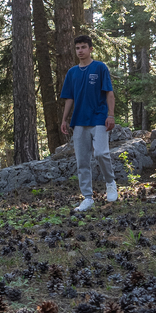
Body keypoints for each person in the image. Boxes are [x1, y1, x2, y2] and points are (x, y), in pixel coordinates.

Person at [58, 35, 118, 213]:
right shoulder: (72, 72)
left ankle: (110, 183)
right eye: (77, 48)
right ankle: (87, 197)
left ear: (91, 49)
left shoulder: (99, 67)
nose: (80, 51)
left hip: (99, 118)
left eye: (83, 47)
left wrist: (111, 115)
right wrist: (64, 119)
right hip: (79, 121)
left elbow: (109, 93)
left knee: (101, 153)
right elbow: (69, 98)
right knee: (82, 161)